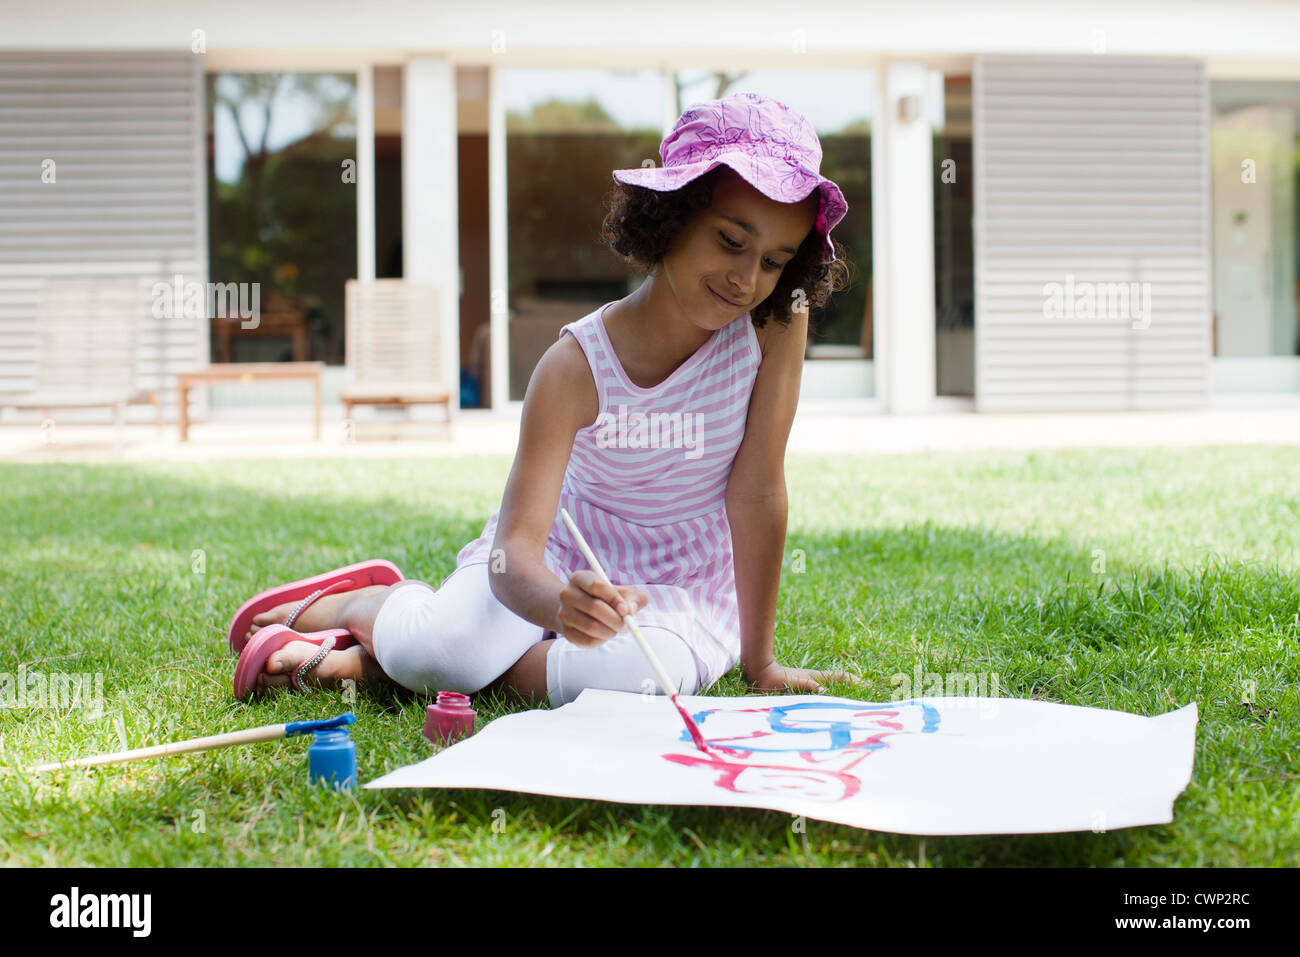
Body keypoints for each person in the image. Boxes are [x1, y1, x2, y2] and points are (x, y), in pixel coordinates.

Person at [231, 91, 858, 707]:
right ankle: (360, 603)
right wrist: (557, 605)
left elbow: (756, 490)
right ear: (670, 217)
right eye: (730, 241)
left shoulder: (774, 323)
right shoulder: (573, 366)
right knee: (444, 652)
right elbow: (515, 554)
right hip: (553, 565)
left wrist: (761, 661)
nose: (748, 279)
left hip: (685, 587)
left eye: (775, 260)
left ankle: (370, 667)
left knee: (653, 678)